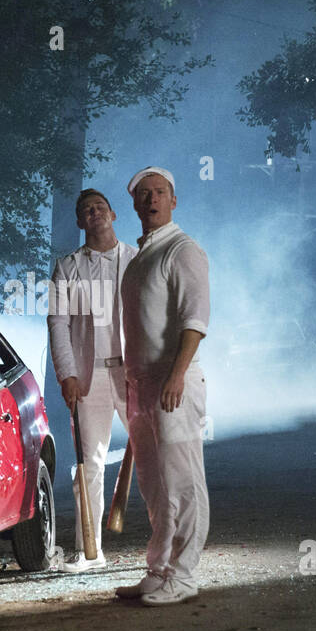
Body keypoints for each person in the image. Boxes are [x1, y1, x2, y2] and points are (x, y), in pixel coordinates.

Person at [114, 167, 210, 606]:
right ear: (134, 205)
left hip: (174, 382)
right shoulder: (138, 260)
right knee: (154, 485)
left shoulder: (183, 251)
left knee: (183, 481)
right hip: (141, 385)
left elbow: (195, 320)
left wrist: (175, 374)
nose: (151, 200)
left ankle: (184, 575)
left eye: (160, 193)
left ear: (174, 201)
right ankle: (159, 570)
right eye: (144, 194)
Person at [47, 188, 137, 572]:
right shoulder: (65, 266)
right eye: (86, 210)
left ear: (114, 214)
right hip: (88, 378)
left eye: (100, 207)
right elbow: (57, 322)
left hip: (133, 374)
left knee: (154, 459)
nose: (94, 213)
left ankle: (168, 549)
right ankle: (91, 552)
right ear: (80, 222)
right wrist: (66, 374)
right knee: (90, 464)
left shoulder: (138, 260)